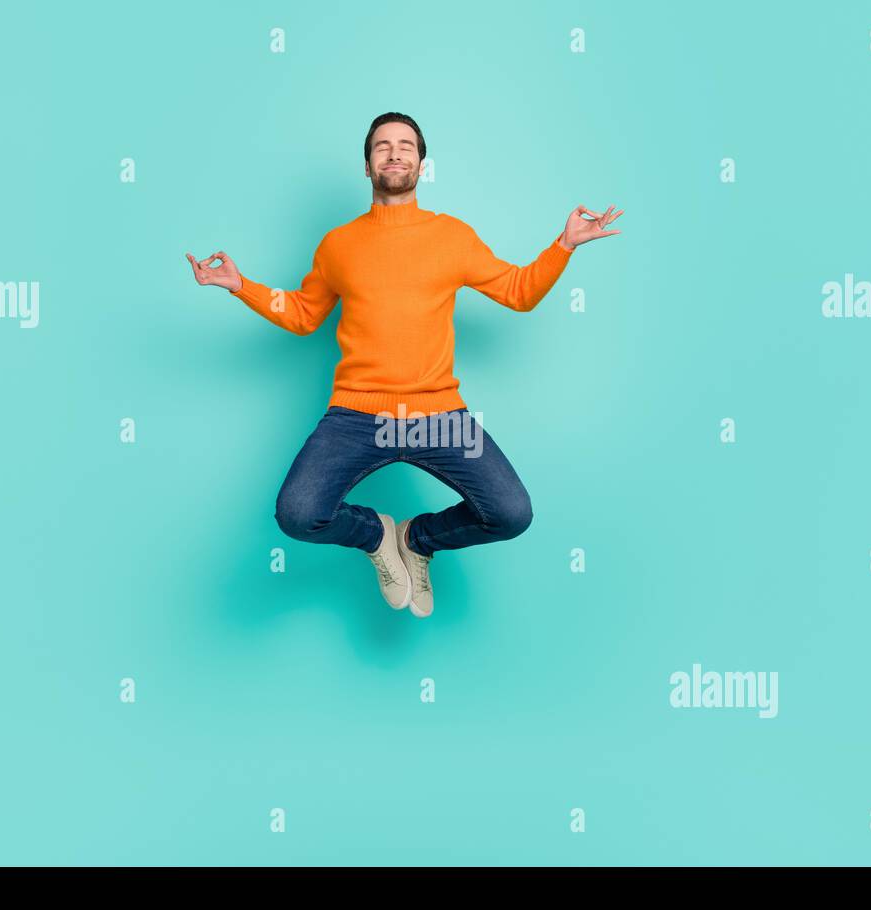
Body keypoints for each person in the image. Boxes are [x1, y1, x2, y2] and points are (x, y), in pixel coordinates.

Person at [186, 112, 622, 617]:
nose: (394, 153)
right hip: (355, 417)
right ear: (368, 166)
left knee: (510, 513)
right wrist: (241, 286)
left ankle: (416, 539)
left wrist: (564, 244)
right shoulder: (337, 244)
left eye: (405, 146)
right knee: (297, 514)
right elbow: (304, 315)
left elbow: (519, 292)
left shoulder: (452, 236)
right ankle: (378, 536)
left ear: (421, 162)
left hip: (437, 417)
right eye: (382, 147)